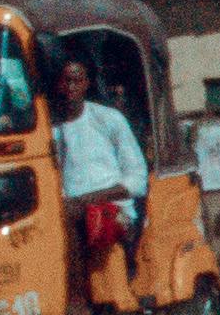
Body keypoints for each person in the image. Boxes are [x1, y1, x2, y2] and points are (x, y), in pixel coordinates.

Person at [49, 48, 149, 302]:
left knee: (75, 217)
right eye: (65, 81)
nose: (70, 86)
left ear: (86, 84)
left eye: (77, 80)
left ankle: (77, 304)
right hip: (69, 206)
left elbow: (137, 179)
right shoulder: (52, 129)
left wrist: (89, 199)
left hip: (113, 210)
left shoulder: (108, 119)